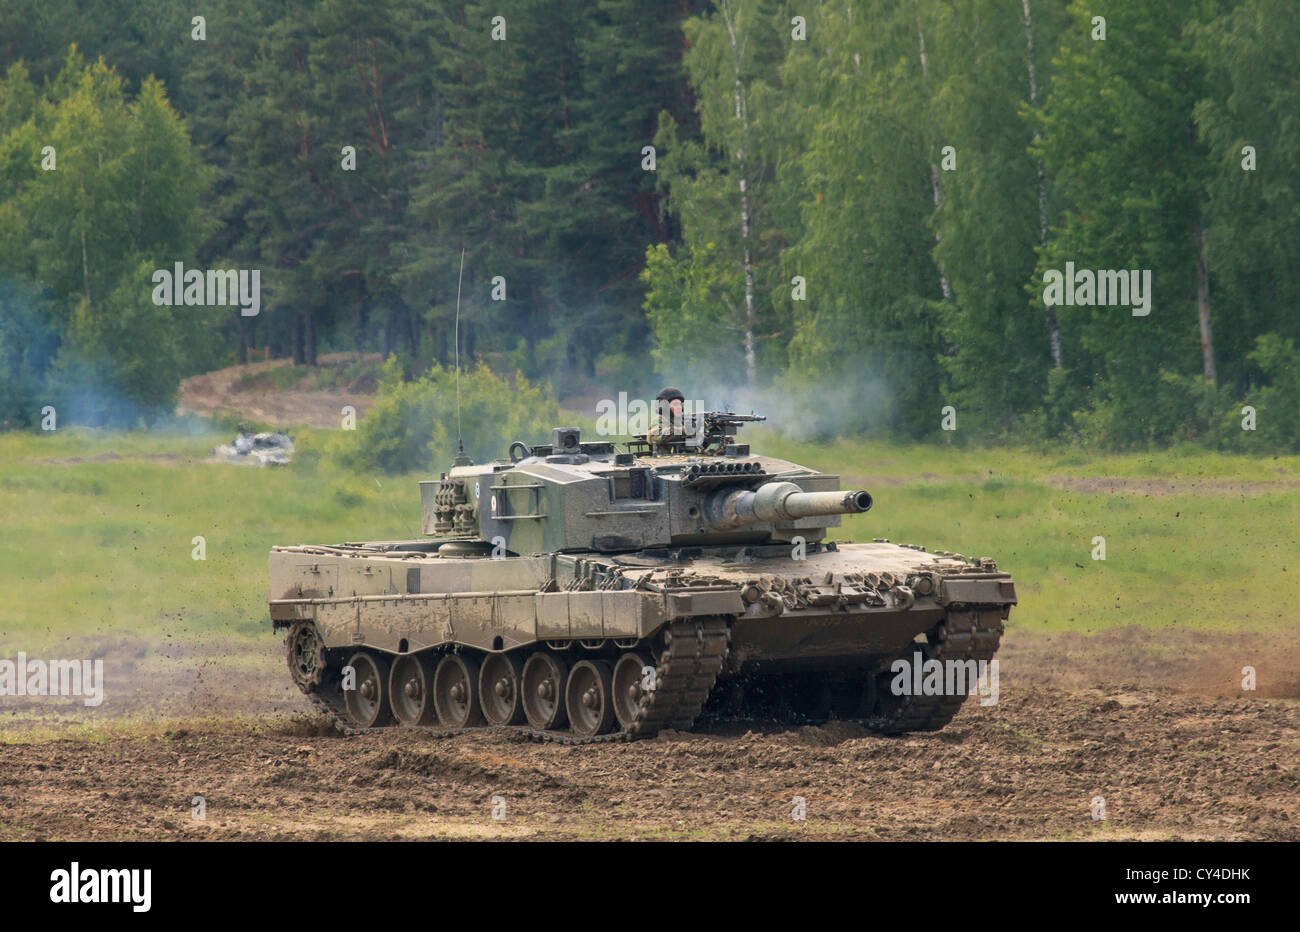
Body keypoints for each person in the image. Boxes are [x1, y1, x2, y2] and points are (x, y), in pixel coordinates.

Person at [648, 386, 687, 451]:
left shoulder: (681, 421)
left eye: (680, 404)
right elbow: (654, 437)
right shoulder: (658, 420)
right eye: (675, 404)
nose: (679, 407)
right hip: (663, 458)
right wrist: (684, 430)